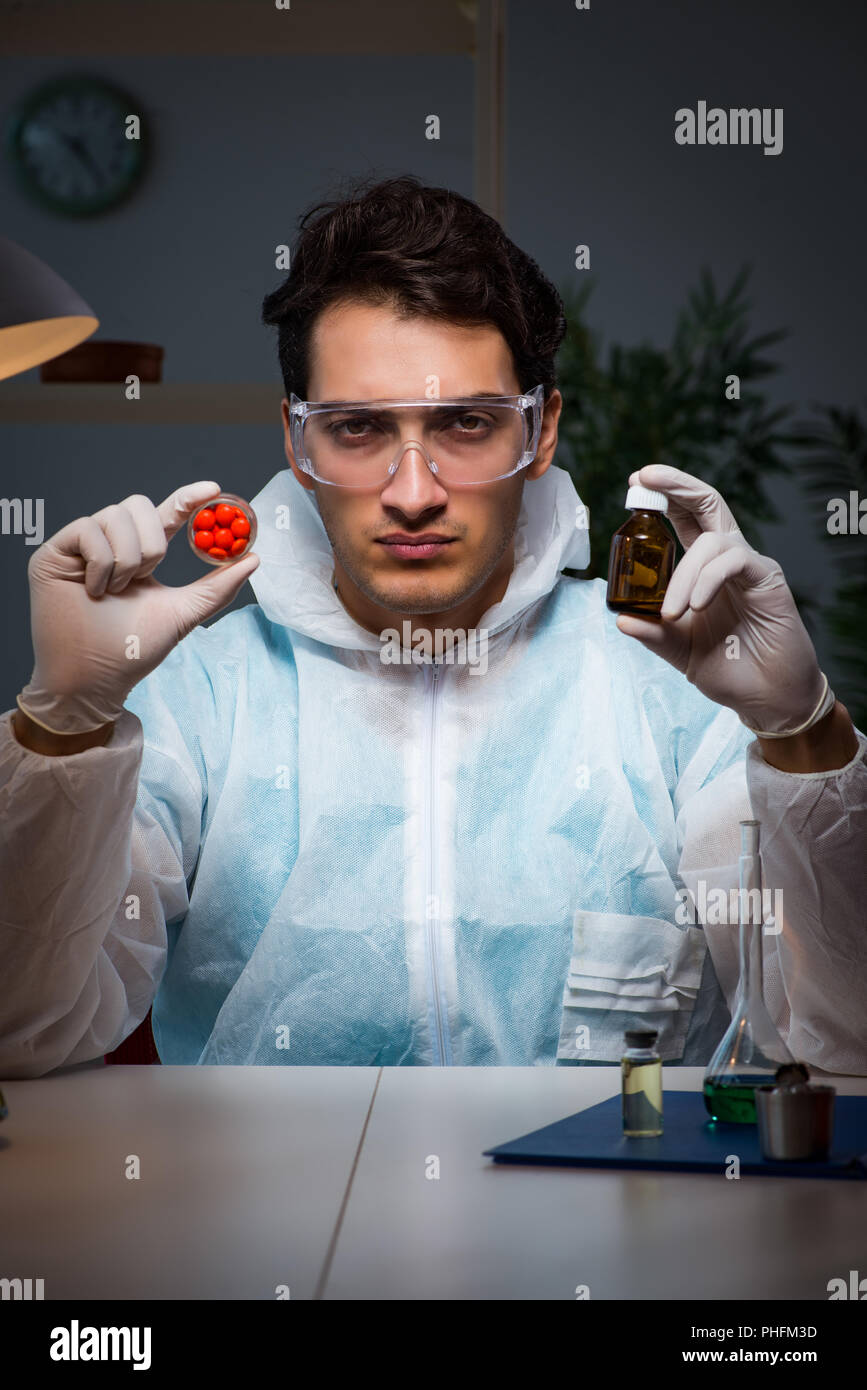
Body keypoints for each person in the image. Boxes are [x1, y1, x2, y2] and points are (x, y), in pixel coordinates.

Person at [1, 175, 865, 1077]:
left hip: (620, 1215)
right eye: (358, 428)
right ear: (298, 443)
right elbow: (25, 1033)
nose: (413, 494)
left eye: (465, 422)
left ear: (540, 433)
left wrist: (803, 733)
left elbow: (842, 1038)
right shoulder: (206, 698)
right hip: (256, 1214)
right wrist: (59, 726)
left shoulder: (670, 688)